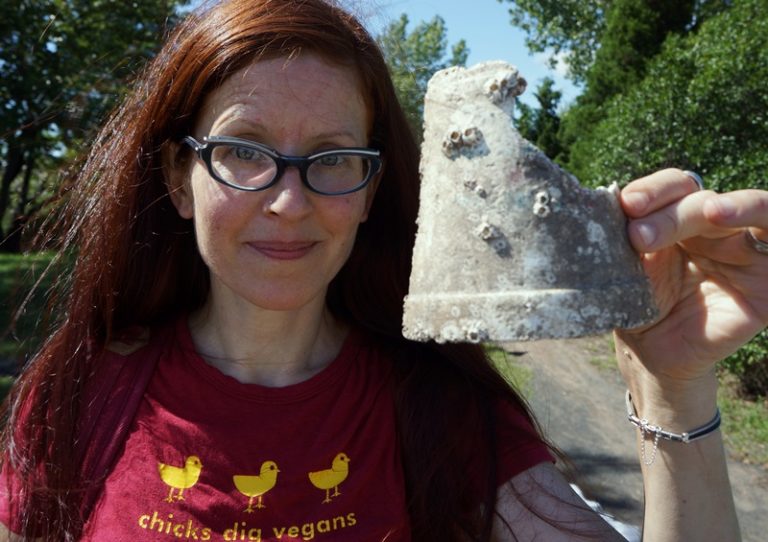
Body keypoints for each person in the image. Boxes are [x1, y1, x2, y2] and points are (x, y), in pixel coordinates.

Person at [0, 0, 764, 540]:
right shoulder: (80, 395)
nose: (288, 202)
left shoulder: (438, 410)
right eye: (243, 151)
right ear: (178, 177)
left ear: (370, 192)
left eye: (333, 159)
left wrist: (672, 386)